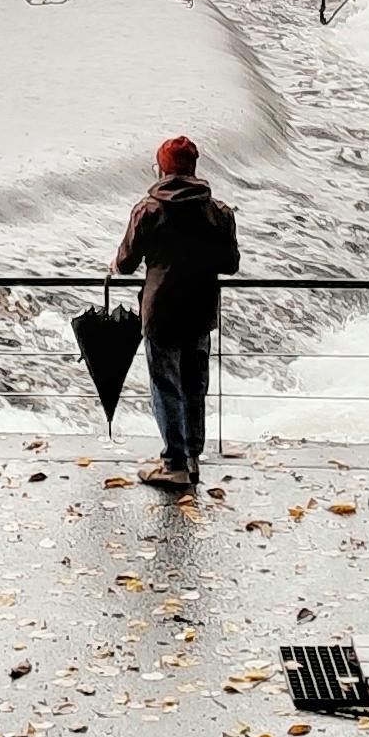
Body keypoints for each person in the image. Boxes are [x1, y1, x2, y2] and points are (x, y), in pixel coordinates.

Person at [114, 134, 239, 490]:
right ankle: (193, 459)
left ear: (162, 170)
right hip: (200, 308)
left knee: (165, 384)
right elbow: (230, 264)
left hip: (161, 311)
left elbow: (125, 264)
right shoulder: (217, 212)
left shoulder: (148, 210)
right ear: (194, 168)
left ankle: (174, 463)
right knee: (194, 385)